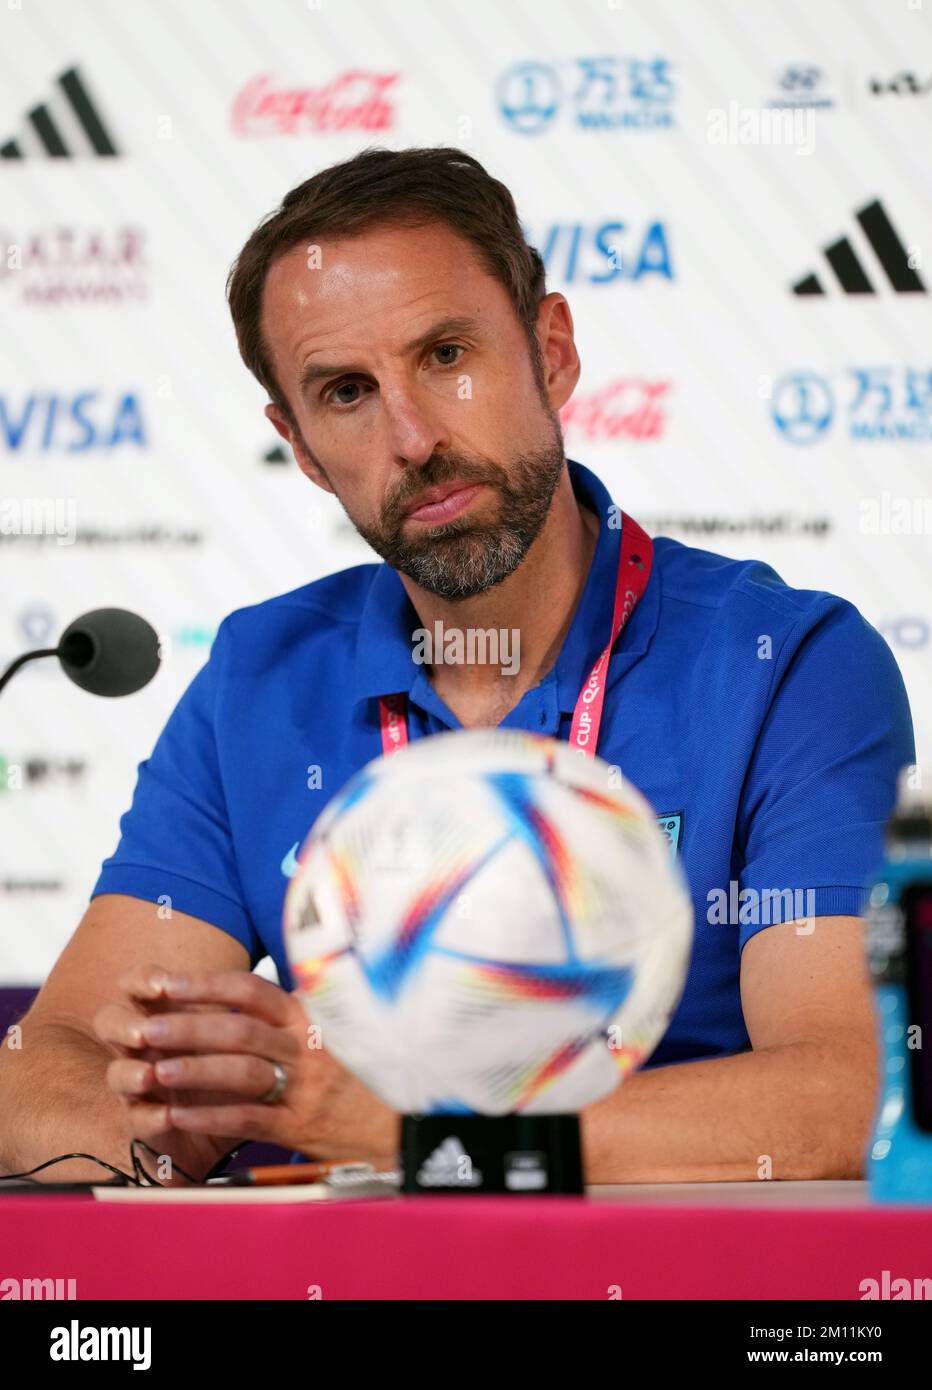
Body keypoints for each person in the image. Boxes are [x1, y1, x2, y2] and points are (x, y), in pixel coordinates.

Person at [0, 147, 914, 1185]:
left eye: (445, 354)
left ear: (551, 351)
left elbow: (847, 1094)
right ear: (298, 445)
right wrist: (172, 1120)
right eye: (345, 391)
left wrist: (408, 1133)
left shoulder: (786, 664)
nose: (413, 436)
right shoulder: (256, 678)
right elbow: (38, 1071)